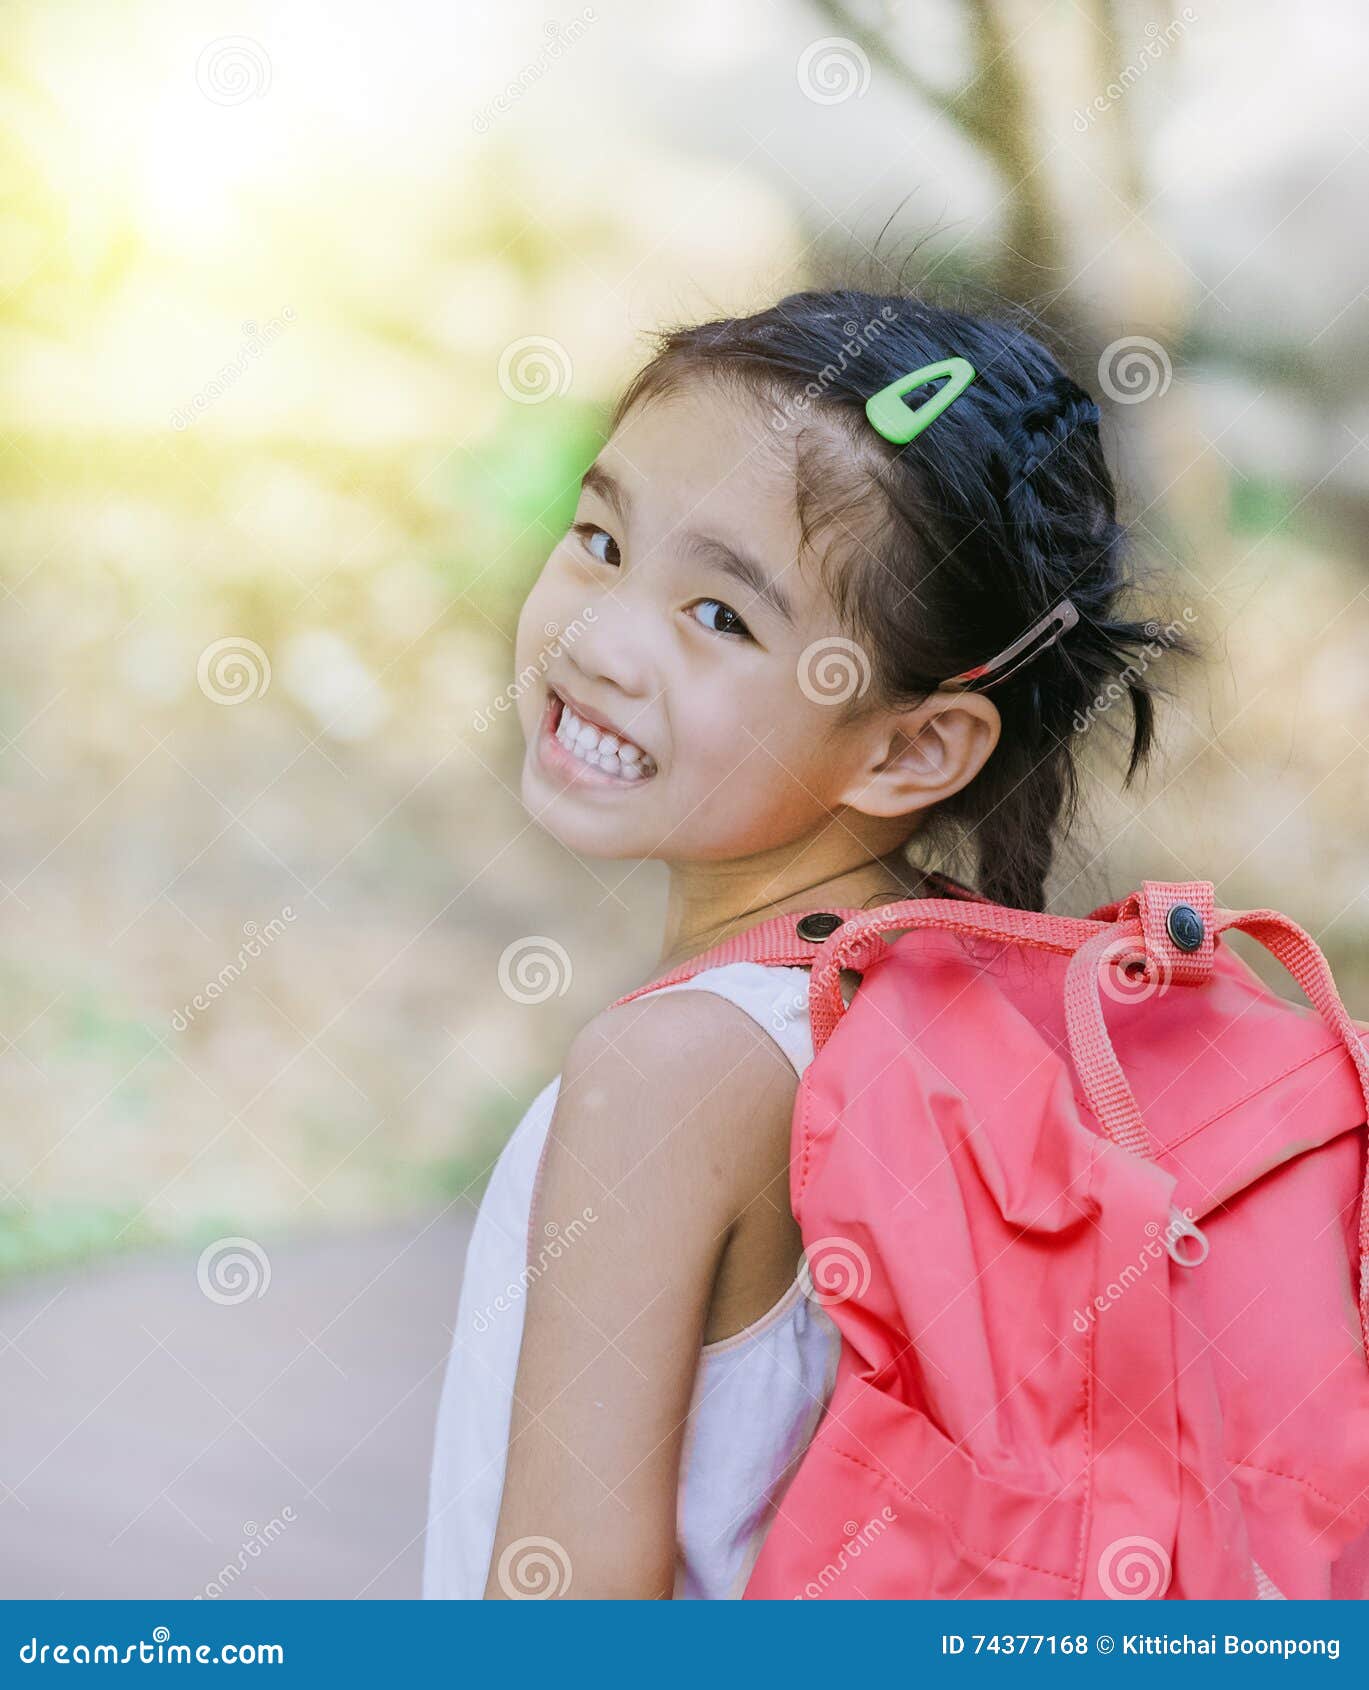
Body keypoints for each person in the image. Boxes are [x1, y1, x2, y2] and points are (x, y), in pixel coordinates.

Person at [422, 284, 1187, 1600]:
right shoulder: (970, 1002)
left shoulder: (665, 1073)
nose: (597, 637)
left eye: (719, 617)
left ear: (912, 746)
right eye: (600, 536)